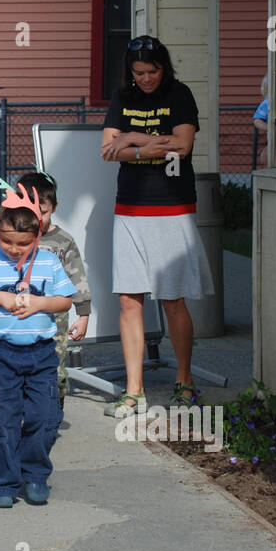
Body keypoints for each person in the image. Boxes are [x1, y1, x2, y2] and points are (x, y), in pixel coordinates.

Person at [99, 34, 215, 418]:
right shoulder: (123, 97)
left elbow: (182, 146)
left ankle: (184, 380)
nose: (145, 79)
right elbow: (106, 150)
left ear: (164, 68)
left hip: (172, 205)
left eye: (152, 71)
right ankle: (134, 391)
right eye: (138, 72)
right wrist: (144, 148)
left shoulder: (179, 95)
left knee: (172, 299)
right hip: (130, 207)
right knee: (129, 300)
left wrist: (132, 138)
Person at [0, 204, 76, 508]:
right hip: (3, 354)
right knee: (3, 420)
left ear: (37, 237)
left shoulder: (49, 263)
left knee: (45, 418)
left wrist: (41, 304)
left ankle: (35, 475)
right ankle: (3, 481)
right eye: (7, 241)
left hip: (42, 354)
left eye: (23, 243)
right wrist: (0, 298)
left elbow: (65, 301)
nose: (14, 249)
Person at [15, 172, 91, 421]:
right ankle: (29, 410)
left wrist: (83, 314)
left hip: (54, 320)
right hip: (21, 317)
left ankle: (54, 405)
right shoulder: (14, 238)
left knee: (54, 368)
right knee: (22, 366)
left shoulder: (63, 241)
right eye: (30, 211)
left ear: (54, 207)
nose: (37, 218)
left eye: (43, 212)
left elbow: (77, 278)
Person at [252, 74, 269, 168]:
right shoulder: (267, 103)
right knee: (265, 157)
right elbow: (257, 120)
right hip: (272, 139)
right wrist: (269, 128)